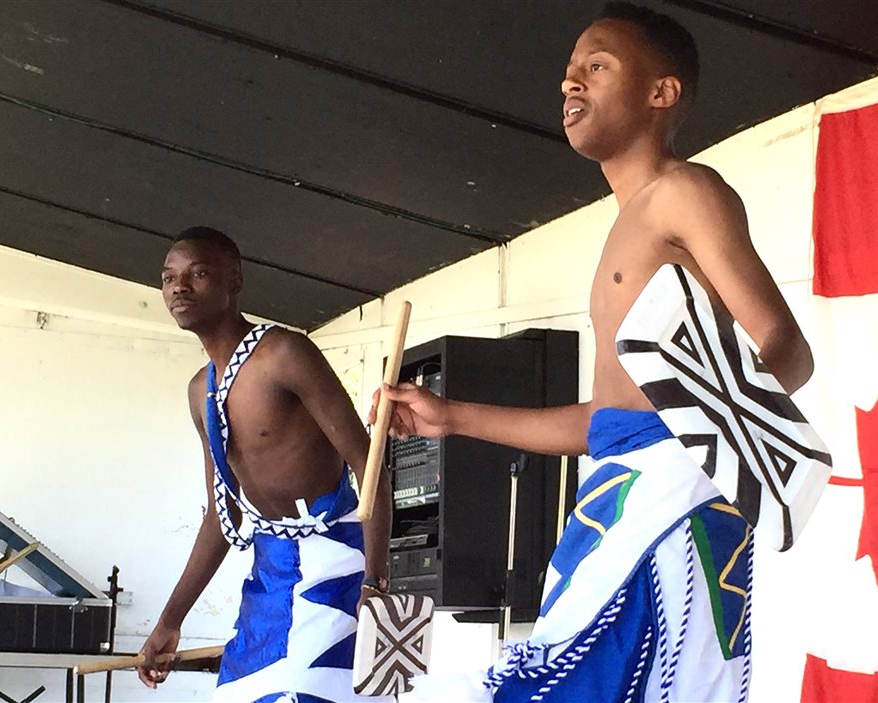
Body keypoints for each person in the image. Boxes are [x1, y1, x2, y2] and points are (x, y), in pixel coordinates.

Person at [379, 4, 813, 701]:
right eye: (568, 75)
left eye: (597, 66)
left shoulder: (684, 192)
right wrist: (450, 416)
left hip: (668, 505)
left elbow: (783, 347)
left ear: (660, 92)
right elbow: (607, 422)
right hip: (617, 498)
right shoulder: (626, 224)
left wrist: (691, 459)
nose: (571, 85)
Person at [139, 226, 393, 703]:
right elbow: (221, 515)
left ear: (234, 281)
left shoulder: (284, 354)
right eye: (168, 277)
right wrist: (171, 620)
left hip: (335, 563)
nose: (179, 287)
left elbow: (371, 466)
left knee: (312, 694)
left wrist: (374, 582)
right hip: (269, 573)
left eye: (197, 273)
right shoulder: (201, 391)